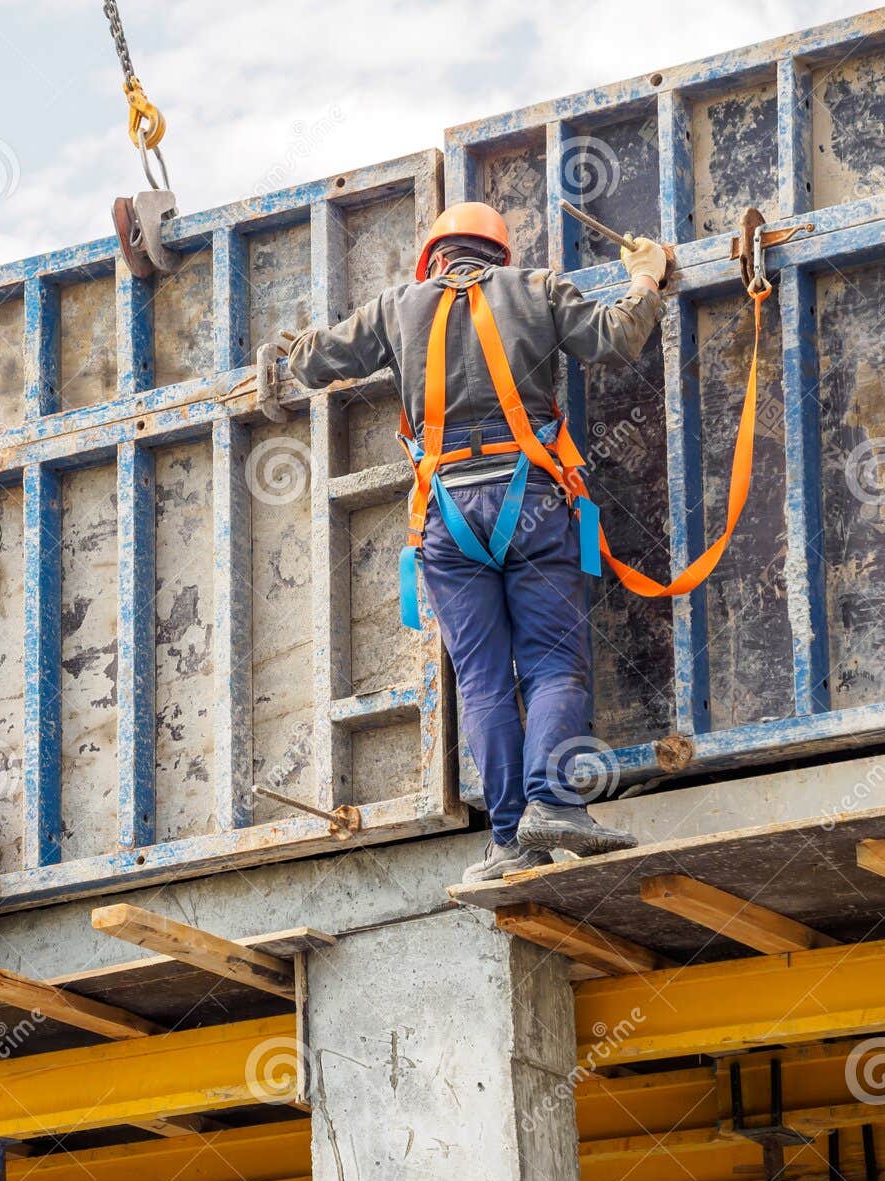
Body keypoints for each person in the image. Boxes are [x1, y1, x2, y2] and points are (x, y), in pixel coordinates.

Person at [286, 202, 668, 883]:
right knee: (553, 668)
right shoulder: (540, 287)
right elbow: (613, 340)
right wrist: (646, 279)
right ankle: (553, 802)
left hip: (446, 517)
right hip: (531, 503)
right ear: (499, 255)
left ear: (433, 259)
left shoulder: (394, 308)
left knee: (485, 683)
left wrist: (286, 349)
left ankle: (508, 843)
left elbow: (312, 364)